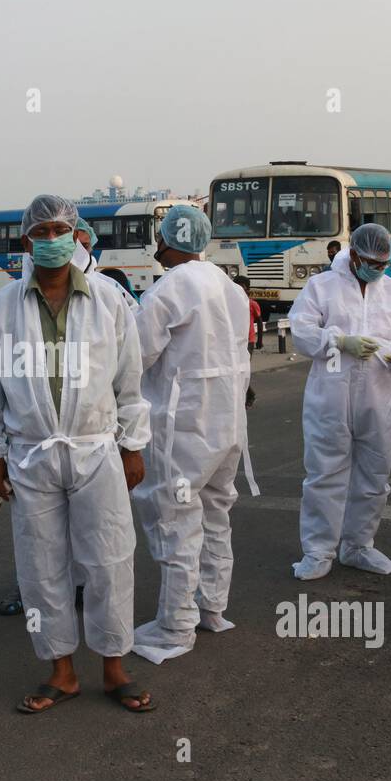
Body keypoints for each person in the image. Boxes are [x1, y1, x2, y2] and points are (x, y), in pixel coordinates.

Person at [0, 194, 155, 713]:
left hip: (97, 449)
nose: (50, 241)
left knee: (111, 559)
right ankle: (62, 671)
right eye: (40, 233)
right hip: (30, 454)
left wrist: (133, 445)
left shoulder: (108, 299)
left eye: (59, 231)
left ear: (78, 237)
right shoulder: (2, 306)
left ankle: (115, 666)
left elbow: (129, 380)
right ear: (25, 241)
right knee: (40, 565)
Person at [130, 205, 255, 664]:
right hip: (227, 425)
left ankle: (175, 626)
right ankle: (212, 608)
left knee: (176, 521)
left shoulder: (169, 288)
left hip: (183, 426)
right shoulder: (229, 287)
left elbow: (136, 356)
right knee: (217, 514)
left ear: (166, 241)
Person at [287, 223, 391, 580]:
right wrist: (338, 341)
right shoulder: (322, 287)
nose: (377, 270)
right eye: (371, 263)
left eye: (383, 264)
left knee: (375, 472)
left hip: (381, 396)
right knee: (325, 473)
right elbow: (300, 331)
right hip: (331, 395)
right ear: (354, 255)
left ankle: (358, 545)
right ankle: (318, 550)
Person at [232, 275, 261, 407]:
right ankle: (247, 394)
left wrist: (259, 340)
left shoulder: (252, 304)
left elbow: (260, 322)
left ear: (248, 290)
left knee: (242, 370)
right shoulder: (230, 303)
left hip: (249, 341)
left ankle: (249, 396)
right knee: (236, 370)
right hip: (235, 341)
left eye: (243, 288)